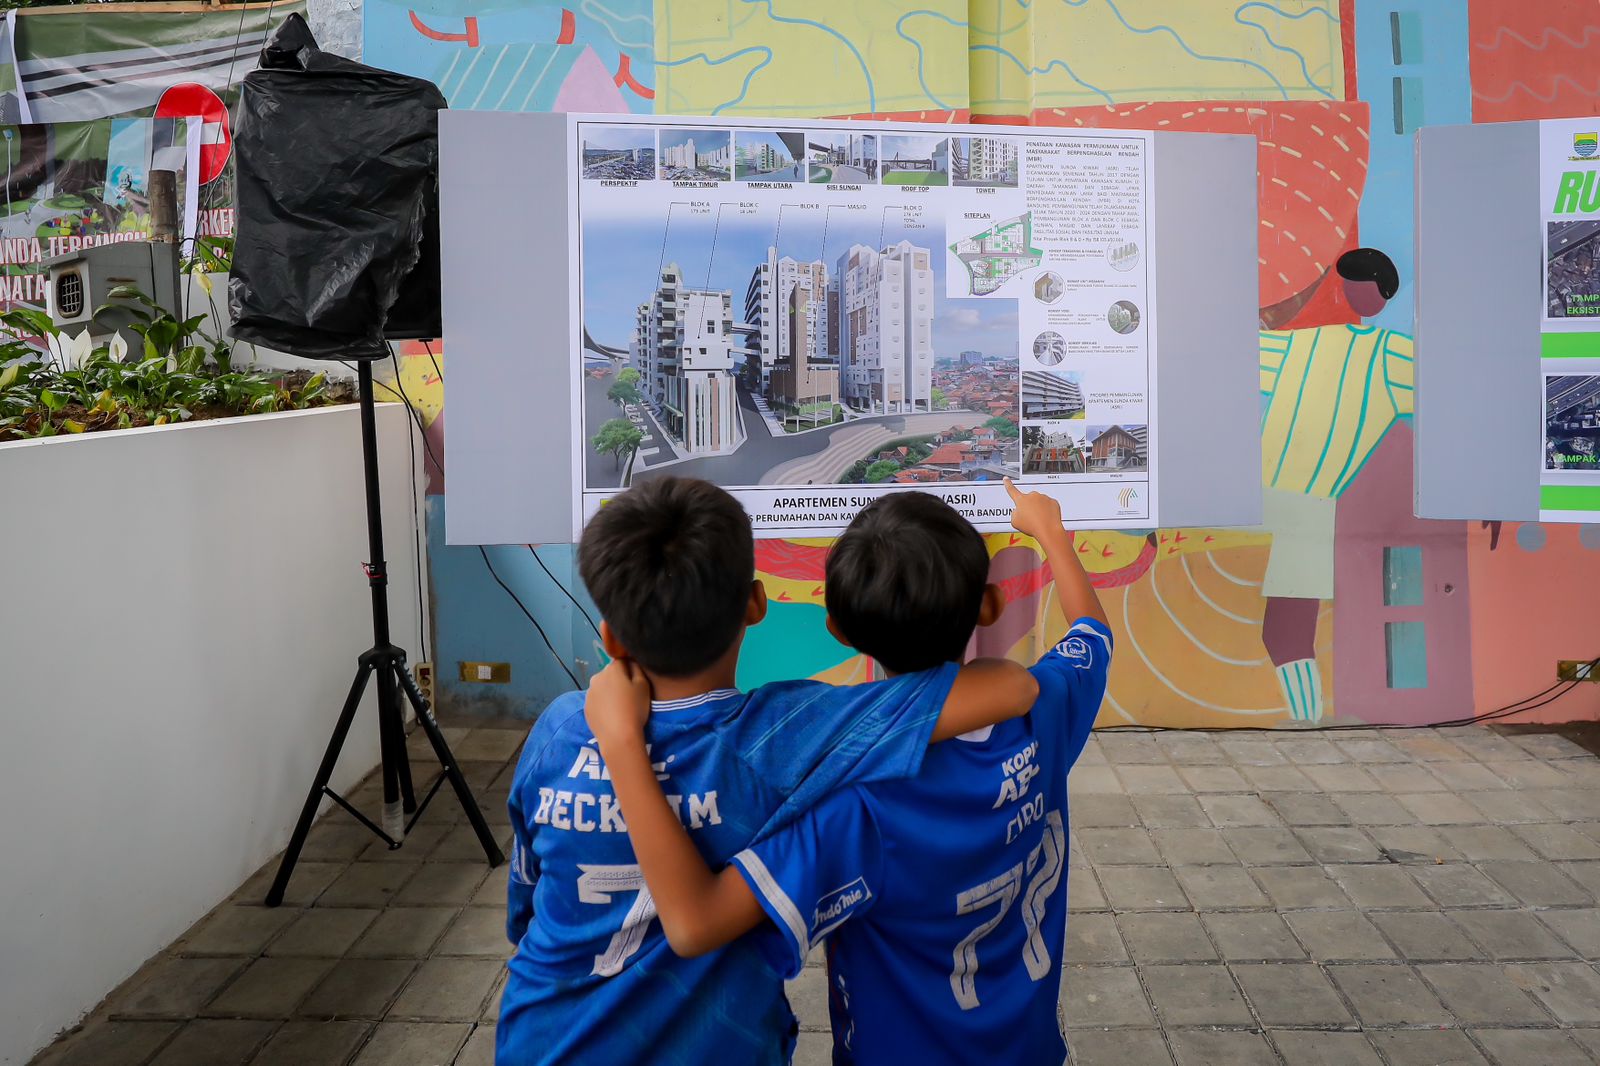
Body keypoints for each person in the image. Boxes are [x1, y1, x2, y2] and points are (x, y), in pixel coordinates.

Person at [497, 476, 1042, 1066]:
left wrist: (622, 736)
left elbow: (525, 911)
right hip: (716, 1047)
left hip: (541, 1042)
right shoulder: (787, 733)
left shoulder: (557, 729)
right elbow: (1011, 685)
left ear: (609, 636)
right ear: (756, 605)